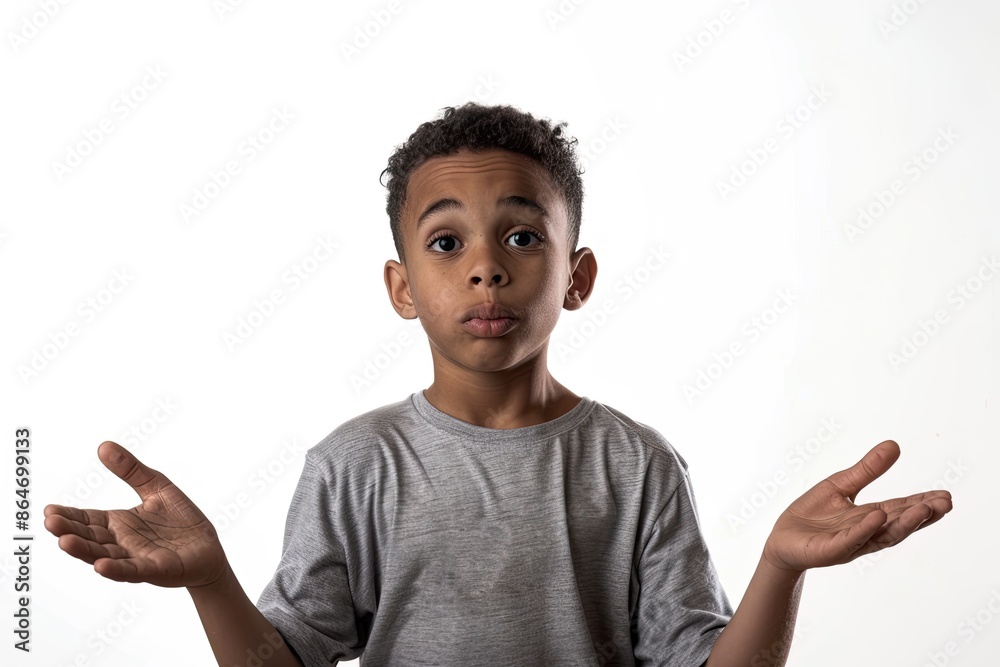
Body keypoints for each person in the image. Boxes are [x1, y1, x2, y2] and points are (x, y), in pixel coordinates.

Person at [44, 103, 953, 666]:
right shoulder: (354, 464)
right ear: (402, 286)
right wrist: (210, 579)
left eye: (522, 236)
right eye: (446, 242)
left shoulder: (636, 465)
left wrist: (780, 567)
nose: (486, 267)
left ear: (576, 276)